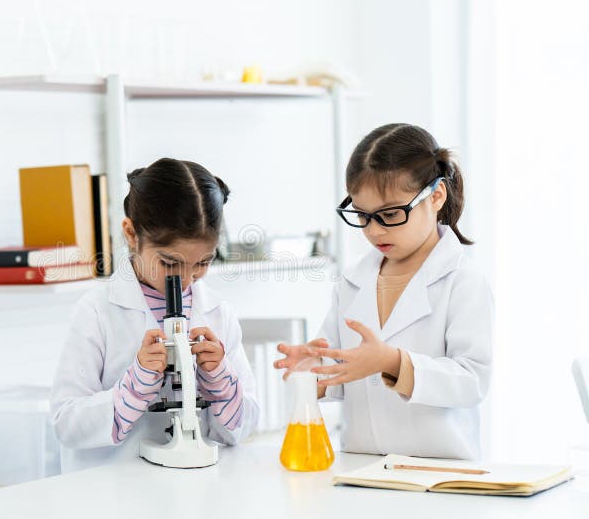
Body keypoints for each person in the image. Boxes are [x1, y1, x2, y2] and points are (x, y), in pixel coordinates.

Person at [275, 123, 493, 460]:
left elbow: (472, 380)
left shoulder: (463, 280)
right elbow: (341, 368)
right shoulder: (352, 281)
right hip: (361, 466)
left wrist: (392, 363)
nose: (374, 230)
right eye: (363, 216)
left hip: (440, 472)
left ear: (435, 196)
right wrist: (314, 371)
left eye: (390, 214)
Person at [51, 157, 259, 472]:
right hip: (111, 493)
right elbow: (67, 424)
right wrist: (135, 384)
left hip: (194, 487)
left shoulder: (218, 313)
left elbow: (243, 426)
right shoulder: (96, 311)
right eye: (170, 263)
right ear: (131, 234)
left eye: (203, 263)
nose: (186, 280)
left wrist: (218, 378)